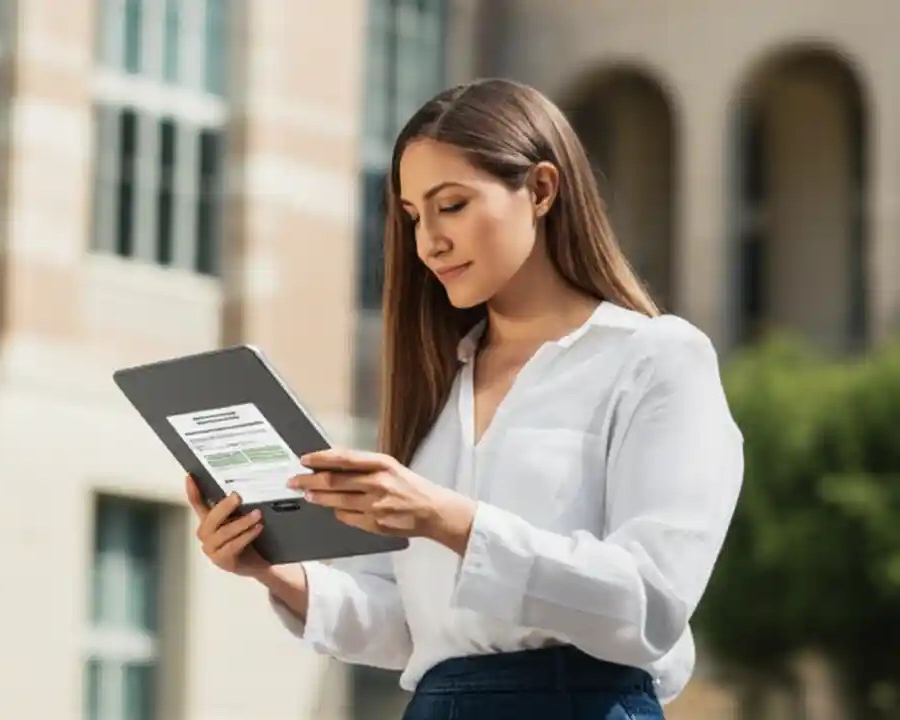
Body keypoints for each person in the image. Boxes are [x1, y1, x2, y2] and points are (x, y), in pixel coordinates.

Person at [183, 78, 743, 719]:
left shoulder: (656, 359)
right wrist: (272, 570)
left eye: (452, 205)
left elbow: (649, 601)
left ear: (540, 190)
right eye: (414, 216)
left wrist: (447, 519)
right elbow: (414, 627)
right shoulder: (439, 384)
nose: (428, 243)